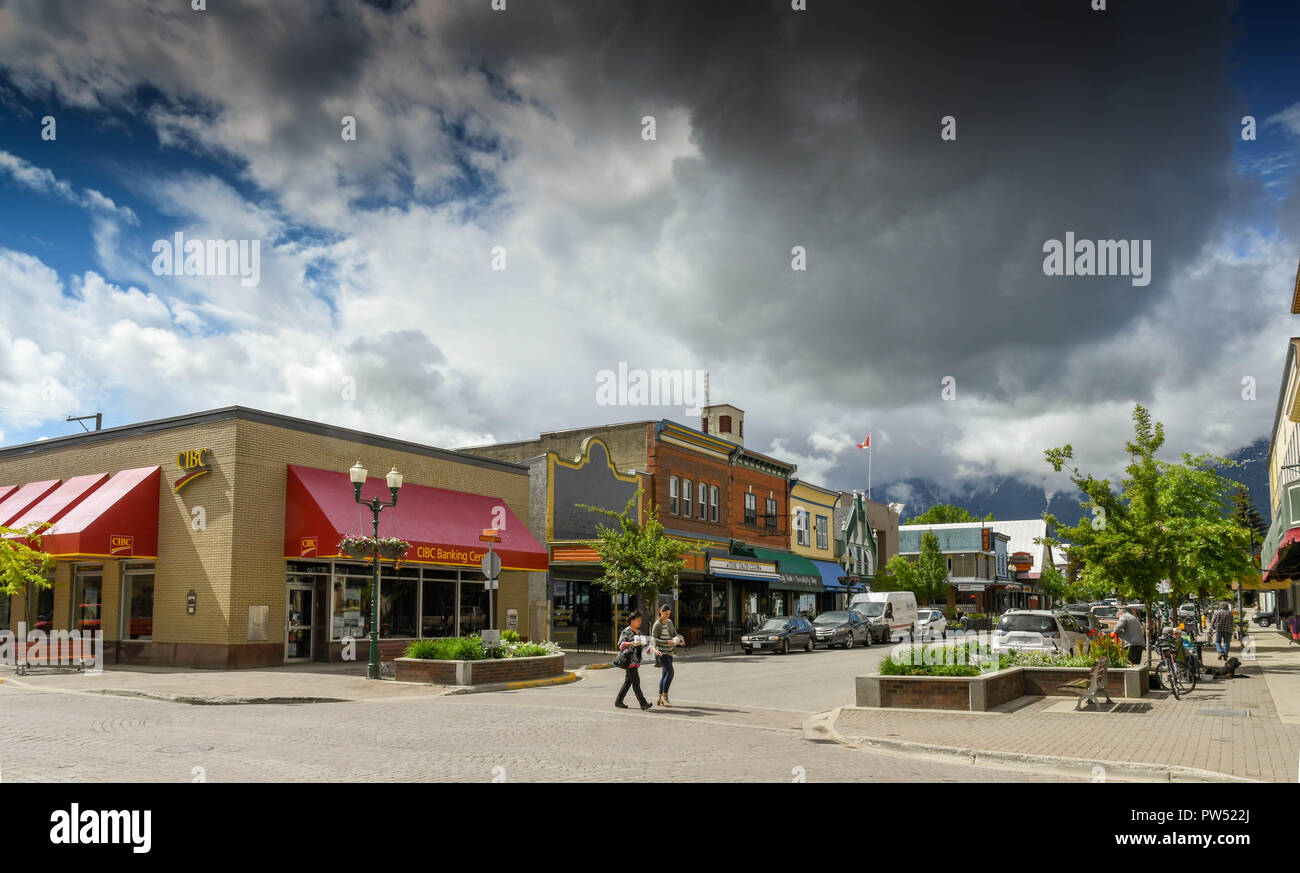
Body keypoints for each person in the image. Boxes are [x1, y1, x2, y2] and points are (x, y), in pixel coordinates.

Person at [614, 609, 652, 711]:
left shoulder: (639, 632)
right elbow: (621, 644)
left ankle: (618, 701)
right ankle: (643, 703)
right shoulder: (626, 631)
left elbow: (646, 645)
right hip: (629, 661)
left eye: (640, 620)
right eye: (638, 620)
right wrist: (631, 643)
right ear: (632, 620)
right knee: (636, 682)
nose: (640, 622)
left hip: (635, 661)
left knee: (628, 682)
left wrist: (654, 651)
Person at [651, 603, 683, 707]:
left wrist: (680, 638)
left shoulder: (670, 622)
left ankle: (659, 696)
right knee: (670, 673)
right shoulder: (657, 624)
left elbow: (674, 634)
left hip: (669, 652)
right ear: (661, 612)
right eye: (666, 613)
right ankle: (665, 698)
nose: (667, 615)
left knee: (665, 675)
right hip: (661, 653)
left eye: (669, 614)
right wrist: (667, 642)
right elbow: (654, 639)